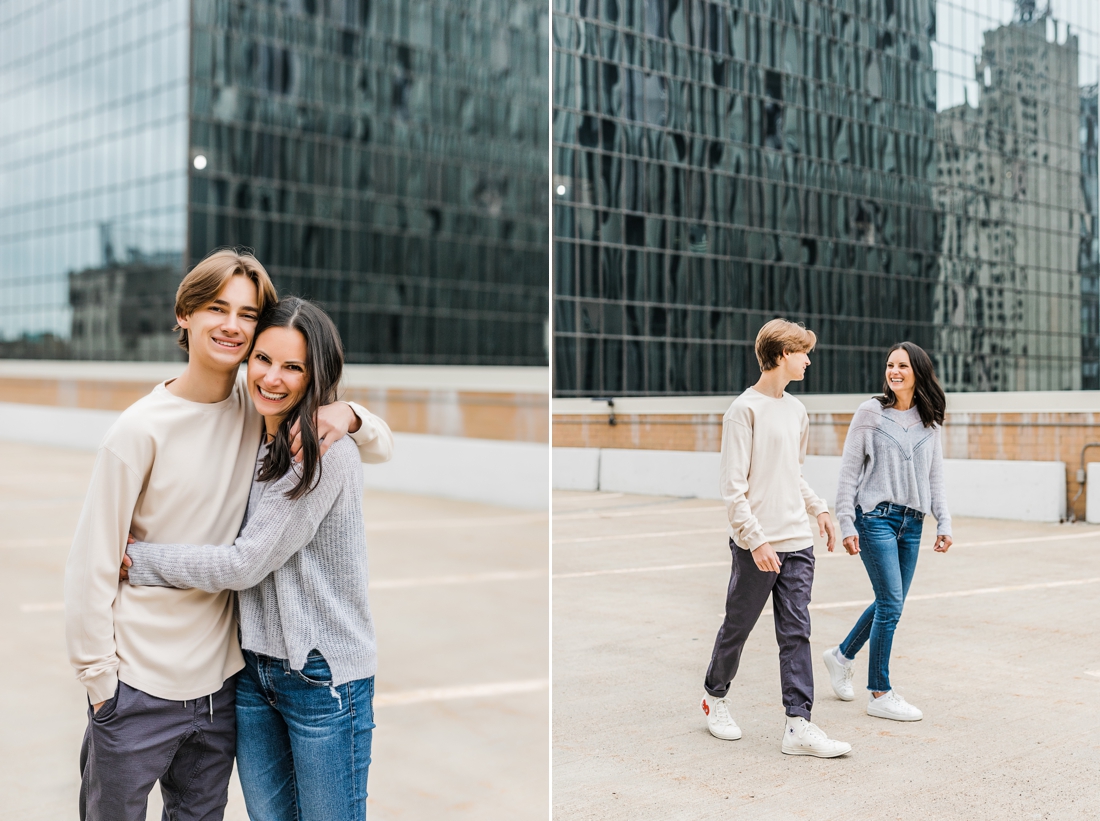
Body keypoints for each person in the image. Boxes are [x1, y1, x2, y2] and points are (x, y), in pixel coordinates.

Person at [65, 249, 393, 821]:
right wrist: (101, 686)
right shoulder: (139, 430)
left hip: (228, 684)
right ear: (185, 315)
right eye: (218, 308)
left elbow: (373, 443)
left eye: (247, 314)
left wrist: (351, 415)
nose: (233, 326)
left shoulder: (271, 413)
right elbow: (91, 565)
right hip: (141, 684)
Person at [701, 318, 850, 758]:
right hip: (757, 546)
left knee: (795, 631)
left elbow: (791, 474)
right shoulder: (742, 411)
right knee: (738, 627)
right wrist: (756, 540)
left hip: (797, 542)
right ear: (783, 354)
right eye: (803, 352)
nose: (808, 360)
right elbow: (733, 488)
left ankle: (798, 723)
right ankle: (715, 695)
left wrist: (818, 508)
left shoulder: (797, 410)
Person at [822, 341, 952, 722]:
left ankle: (842, 655)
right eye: (890, 365)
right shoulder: (870, 412)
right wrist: (846, 521)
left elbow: (935, 476)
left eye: (903, 366)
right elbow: (849, 471)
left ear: (918, 372)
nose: (894, 371)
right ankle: (879, 691)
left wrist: (944, 521)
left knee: (888, 603)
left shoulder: (930, 419)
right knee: (892, 604)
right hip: (875, 518)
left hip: (912, 523)